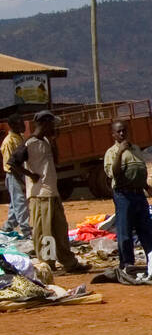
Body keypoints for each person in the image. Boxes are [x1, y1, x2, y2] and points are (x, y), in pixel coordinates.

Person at [9, 111, 86, 274]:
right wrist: (30, 176)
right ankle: (48, 264)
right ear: (44, 123)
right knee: (45, 233)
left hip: (52, 192)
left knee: (59, 229)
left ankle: (68, 262)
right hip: (40, 195)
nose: (54, 127)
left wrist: (53, 141)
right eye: (52, 124)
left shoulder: (45, 140)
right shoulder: (29, 143)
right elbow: (13, 163)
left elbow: (55, 161)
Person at [103, 120, 152, 270]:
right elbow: (113, 173)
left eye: (124, 131)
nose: (122, 133)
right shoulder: (111, 152)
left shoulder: (136, 149)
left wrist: (147, 187)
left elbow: (138, 172)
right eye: (119, 131)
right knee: (125, 230)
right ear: (113, 134)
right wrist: (120, 151)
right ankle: (127, 263)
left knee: (146, 230)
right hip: (123, 195)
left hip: (139, 194)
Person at [1, 114, 30, 238]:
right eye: (21, 124)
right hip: (14, 175)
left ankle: (7, 227)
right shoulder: (9, 142)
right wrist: (22, 179)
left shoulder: (20, 137)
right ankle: (26, 230)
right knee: (20, 203)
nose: (24, 126)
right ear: (13, 126)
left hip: (20, 174)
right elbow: (11, 165)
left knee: (15, 203)